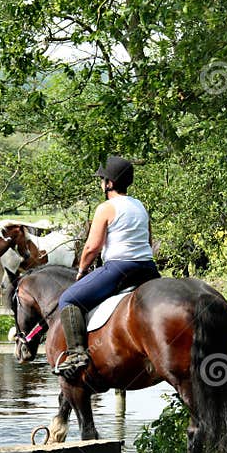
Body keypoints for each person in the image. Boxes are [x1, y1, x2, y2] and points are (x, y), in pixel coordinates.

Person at [54, 156, 160, 378]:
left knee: (68, 299)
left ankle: (77, 354)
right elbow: (148, 241)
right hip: (148, 269)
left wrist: (82, 270)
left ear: (110, 183)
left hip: (120, 269)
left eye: (102, 179)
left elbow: (92, 247)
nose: (101, 183)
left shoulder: (106, 208)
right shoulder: (140, 206)